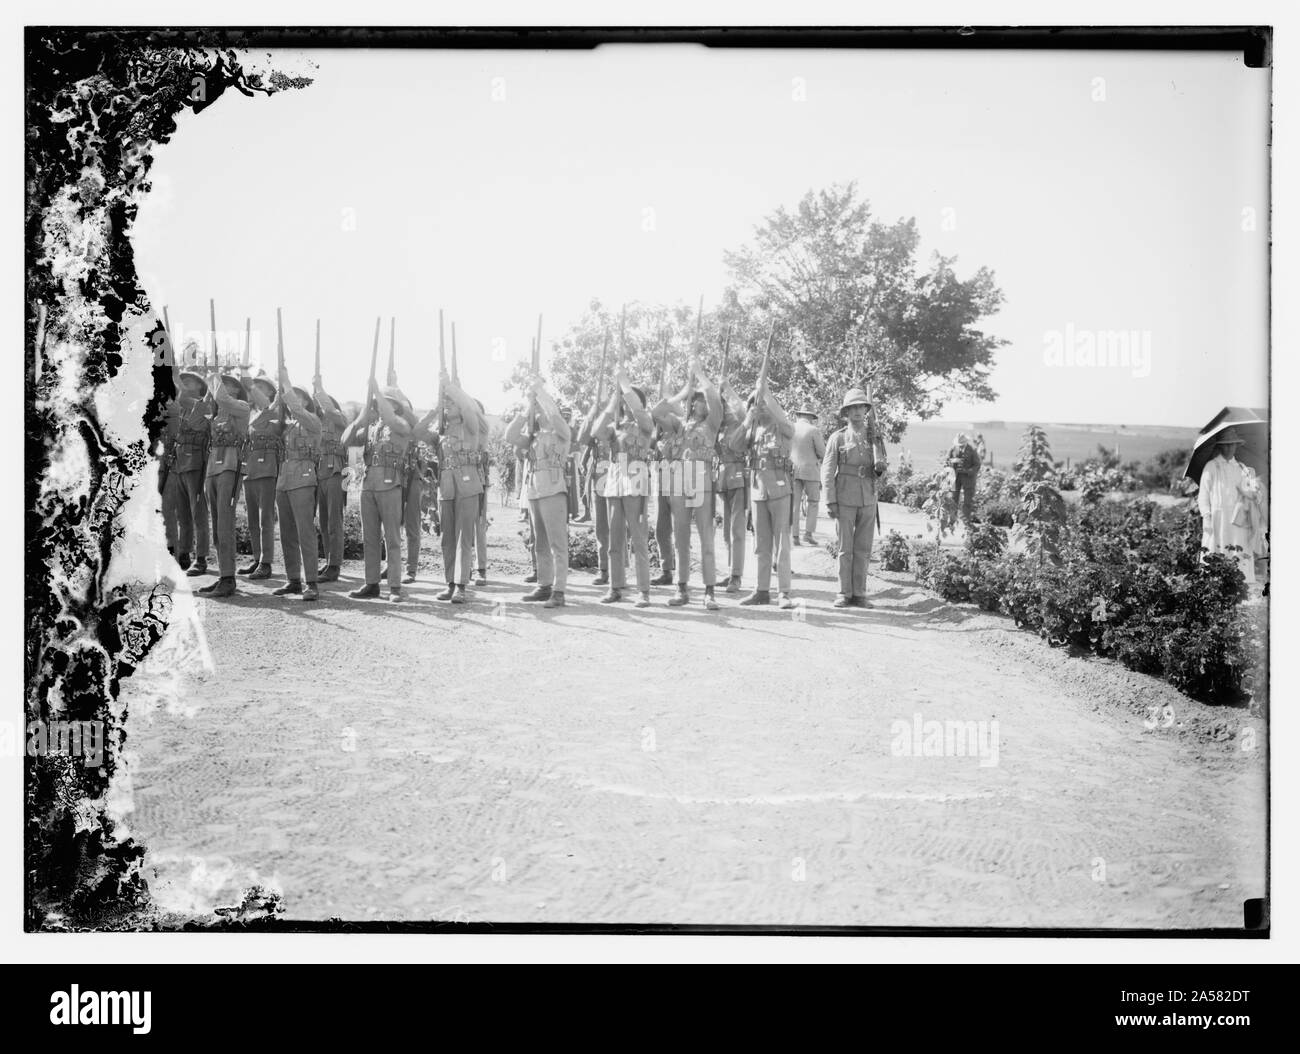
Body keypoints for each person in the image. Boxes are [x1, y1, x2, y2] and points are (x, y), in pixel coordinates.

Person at [650, 353, 723, 610]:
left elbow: (715, 399)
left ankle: (709, 591)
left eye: (703, 400)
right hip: (679, 482)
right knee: (681, 537)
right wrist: (684, 392)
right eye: (697, 400)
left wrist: (700, 374)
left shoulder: (712, 424)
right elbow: (657, 411)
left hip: (702, 481)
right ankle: (681, 588)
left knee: (706, 538)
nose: (701, 403)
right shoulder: (680, 425)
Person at [341, 372, 412, 602]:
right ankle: (371, 583)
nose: (381, 407)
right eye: (379, 403)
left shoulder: (401, 424)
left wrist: (377, 392)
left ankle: (395, 587)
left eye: (386, 403)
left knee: (392, 539)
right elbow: (345, 441)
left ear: (395, 406)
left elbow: (390, 418)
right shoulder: (371, 428)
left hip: (390, 485)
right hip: (369, 486)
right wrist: (360, 418)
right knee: (370, 538)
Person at [418, 367, 486, 604]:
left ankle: (461, 586)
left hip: (468, 485)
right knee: (447, 538)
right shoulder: (441, 433)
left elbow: (468, 407)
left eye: (451, 402)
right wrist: (434, 411)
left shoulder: (471, 426)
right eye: (446, 402)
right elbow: (417, 432)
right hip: (446, 488)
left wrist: (450, 387)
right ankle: (449, 583)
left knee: (463, 538)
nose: (448, 405)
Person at [505, 376, 571, 608]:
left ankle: (559, 591)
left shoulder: (561, 432)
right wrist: (527, 410)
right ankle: (544, 585)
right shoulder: (533, 437)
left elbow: (555, 415)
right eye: (538, 410)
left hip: (553, 491)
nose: (540, 413)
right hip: (534, 491)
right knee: (540, 543)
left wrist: (540, 394)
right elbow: (509, 436)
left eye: (541, 410)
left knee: (557, 544)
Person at [735, 358, 796, 608]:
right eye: (754, 404)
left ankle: (783, 592)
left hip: (780, 489)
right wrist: (746, 421)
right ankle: (761, 590)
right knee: (761, 545)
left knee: (782, 544)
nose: (759, 408)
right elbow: (734, 445)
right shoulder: (752, 431)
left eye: (762, 404)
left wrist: (766, 392)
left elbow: (783, 419)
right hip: (758, 492)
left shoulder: (782, 428)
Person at [590, 369, 654, 607]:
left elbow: (642, 415)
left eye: (630, 400)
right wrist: (611, 405)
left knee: (638, 540)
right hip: (615, 481)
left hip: (635, 479)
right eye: (624, 401)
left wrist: (625, 387)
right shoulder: (615, 427)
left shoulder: (645, 424)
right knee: (614, 540)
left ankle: (643, 591)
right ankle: (615, 587)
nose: (626, 404)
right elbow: (595, 432)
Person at [823, 388, 888, 608]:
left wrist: (880, 469)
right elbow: (827, 470)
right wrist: (830, 500)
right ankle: (844, 593)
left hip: (868, 498)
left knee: (863, 549)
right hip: (844, 498)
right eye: (853, 408)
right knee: (845, 549)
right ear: (847, 412)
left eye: (861, 407)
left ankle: (859, 593)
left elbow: (882, 468)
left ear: (866, 410)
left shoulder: (875, 437)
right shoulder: (838, 437)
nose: (858, 411)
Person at [271, 359, 323, 602]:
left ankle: (311, 582)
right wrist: (276, 399)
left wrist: (286, 383)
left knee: (305, 532)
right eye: (293, 396)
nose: (294, 400)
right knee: (287, 533)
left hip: (303, 477)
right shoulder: (286, 425)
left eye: (299, 396)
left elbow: (298, 411)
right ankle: (293, 579)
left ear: (306, 402)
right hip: (284, 478)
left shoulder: (312, 421)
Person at [196, 366, 250, 598]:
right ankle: (223, 574)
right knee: (217, 525)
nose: (221, 387)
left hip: (230, 466)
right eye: (221, 383)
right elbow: (196, 415)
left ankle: (229, 579)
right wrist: (208, 390)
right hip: (213, 468)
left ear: (236, 390)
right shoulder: (217, 413)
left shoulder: (241, 407)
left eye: (227, 384)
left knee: (225, 523)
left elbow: (222, 398)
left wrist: (214, 378)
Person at [1197, 428, 1263, 585]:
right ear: (1220, 446)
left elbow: (1255, 497)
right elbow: (1203, 495)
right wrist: (1206, 516)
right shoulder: (1211, 466)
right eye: (1225, 445)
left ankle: (1240, 585)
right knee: (1216, 548)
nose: (1229, 448)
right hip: (1218, 518)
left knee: (1239, 550)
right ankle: (1215, 584)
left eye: (1232, 444)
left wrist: (1255, 491)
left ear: (1236, 446)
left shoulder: (1243, 468)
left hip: (1238, 519)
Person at [171, 343, 212, 578]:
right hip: (180, 463)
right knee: (183, 515)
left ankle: (202, 557)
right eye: (183, 380)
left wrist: (175, 372)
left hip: (196, 463)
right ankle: (184, 553)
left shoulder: (203, 405)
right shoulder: (181, 406)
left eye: (190, 381)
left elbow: (183, 395)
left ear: (200, 386)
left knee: (198, 514)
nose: (185, 383)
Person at [238, 372, 279, 580]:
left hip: (267, 469)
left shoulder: (274, 410)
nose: (256, 390)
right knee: (253, 519)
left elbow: (267, 407)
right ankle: (257, 558)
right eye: (255, 387)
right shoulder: (251, 412)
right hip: (251, 469)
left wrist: (250, 387)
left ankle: (266, 562)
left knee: (265, 519)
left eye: (262, 387)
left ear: (271, 392)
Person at [313, 366, 350, 583]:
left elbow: (328, 409)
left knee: (335, 521)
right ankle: (329, 561)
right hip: (321, 473)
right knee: (324, 522)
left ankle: (335, 564)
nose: (320, 408)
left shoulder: (339, 419)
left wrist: (319, 390)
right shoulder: (317, 423)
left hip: (336, 471)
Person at [714, 380, 748, 593]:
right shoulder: (719, 426)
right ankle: (730, 571)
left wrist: (727, 388)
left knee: (737, 529)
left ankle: (736, 576)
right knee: (726, 531)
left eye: (724, 406)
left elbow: (742, 411)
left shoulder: (738, 421)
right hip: (723, 478)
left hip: (737, 475)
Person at [575, 403, 612, 586]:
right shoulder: (595, 430)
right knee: (601, 527)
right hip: (598, 480)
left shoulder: (617, 427)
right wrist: (591, 413)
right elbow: (582, 439)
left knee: (618, 528)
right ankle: (603, 569)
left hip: (617, 479)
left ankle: (619, 570)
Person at [790, 407, 826, 545]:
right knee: (813, 502)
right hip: (810, 470)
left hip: (793, 469)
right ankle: (808, 534)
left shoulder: (791, 428)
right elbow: (822, 452)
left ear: (799, 415)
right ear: (811, 417)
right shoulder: (813, 430)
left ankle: (794, 536)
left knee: (794, 504)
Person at [947, 432, 981, 524]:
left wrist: (967, 471)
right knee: (953, 499)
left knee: (967, 501)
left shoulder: (972, 450)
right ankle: (952, 520)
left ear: (966, 442)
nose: (960, 446)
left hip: (968, 478)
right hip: (955, 477)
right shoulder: (953, 449)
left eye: (962, 444)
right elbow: (947, 461)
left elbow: (977, 465)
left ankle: (966, 522)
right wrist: (952, 461)